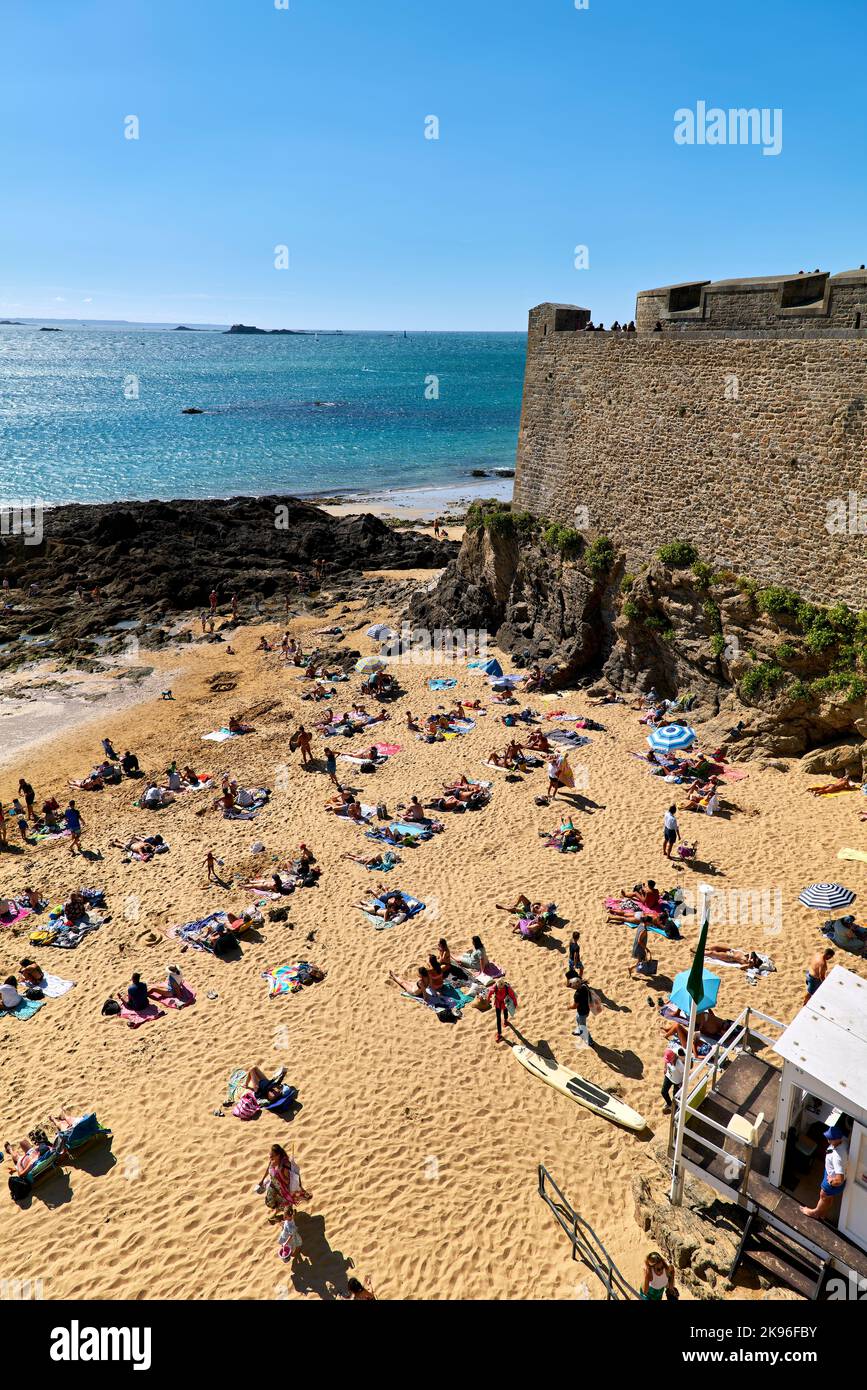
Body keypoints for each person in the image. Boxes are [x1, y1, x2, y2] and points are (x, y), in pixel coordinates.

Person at [801, 1124, 849, 1221]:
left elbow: (839, 1180)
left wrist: (831, 1181)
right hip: (829, 1173)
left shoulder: (837, 1157)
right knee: (828, 1198)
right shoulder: (844, 1140)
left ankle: (815, 1213)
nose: (828, 1140)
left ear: (837, 1139)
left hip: (832, 1181)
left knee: (823, 1196)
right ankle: (823, 1213)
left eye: (830, 1139)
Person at [258, 1144, 309, 1222]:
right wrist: (262, 1180)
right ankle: (283, 1212)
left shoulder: (285, 1165)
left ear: (278, 1155)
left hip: (283, 1188)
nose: (270, 1158)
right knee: (269, 1202)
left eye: (272, 1156)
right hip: (273, 1185)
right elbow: (268, 1168)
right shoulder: (272, 1160)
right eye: (270, 1155)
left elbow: (287, 1181)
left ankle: (285, 1214)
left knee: (284, 1205)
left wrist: (279, 1171)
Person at [487, 977, 517, 1043]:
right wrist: (488, 1000)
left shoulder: (507, 988)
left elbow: (513, 996)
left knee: (505, 1012)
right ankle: (499, 1034)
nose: (500, 989)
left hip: (505, 1003)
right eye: (499, 988)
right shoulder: (495, 987)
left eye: (501, 988)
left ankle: (506, 1021)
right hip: (498, 1004)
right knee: (498, 1019)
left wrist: (515, 1004)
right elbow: (490, 992)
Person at [662, 1046, 685, 1113]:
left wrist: (682, 1083)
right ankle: (669, 1104)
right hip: (668, 1076)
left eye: (669, 1060)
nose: (668, 1061)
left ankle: (676, 1109)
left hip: (677, 1081)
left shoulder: (679, 1065)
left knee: (676, 1097)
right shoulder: (670, 1055)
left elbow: (685, 1074)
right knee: (663, 1092)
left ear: (673, 1057)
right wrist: (665, 1067)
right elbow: (666, 1061)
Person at [570, 977, 593, 1045]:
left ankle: (590, 1041)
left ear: (576, 986)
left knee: (583, 1026)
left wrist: (568, 1007)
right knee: (577, 1019)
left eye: (572, 984)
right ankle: (579, 1031)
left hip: (582, 1012)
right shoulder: (584, 986)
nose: (571, 985)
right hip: (586, 1009)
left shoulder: (577, 995)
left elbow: (574, 1006)